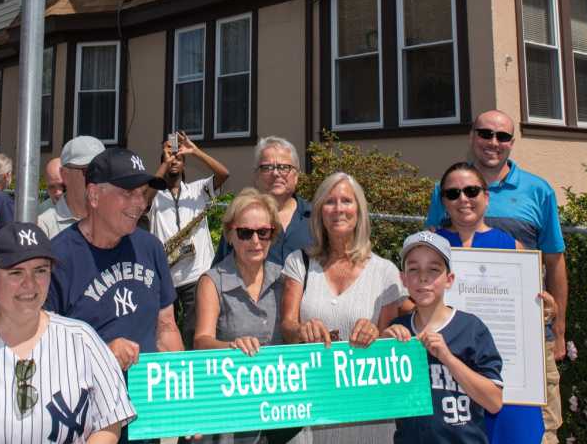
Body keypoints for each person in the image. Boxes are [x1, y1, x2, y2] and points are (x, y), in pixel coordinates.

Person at [0, 222, 135, 443]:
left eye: (40, 271)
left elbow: (109, 421)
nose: (30, 284)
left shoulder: (83, 339)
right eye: (16, 273)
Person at [424, 110, 569, 444]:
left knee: (537, 428)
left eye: (502, 136)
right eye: (485, 133)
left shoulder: (538, 191)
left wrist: (557, 328)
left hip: (524, 338)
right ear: (472, 136)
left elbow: (554, 262)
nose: (493, 142)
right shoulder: (445, 188)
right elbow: (430, 258)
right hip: (458, 342)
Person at [280, 172, 407, 443]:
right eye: (330, 202)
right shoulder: (299, 262)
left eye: (346, 201)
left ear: (359, 211)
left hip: (368, 412)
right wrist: (302, 330)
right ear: (319, 212)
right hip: (311, 410)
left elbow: (392, 343)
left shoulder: (385, 272)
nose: (338, 209)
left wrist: (377, 333)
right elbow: (287, 327)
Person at [44, 148, 181, 371]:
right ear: (94, 195)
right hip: (87, 398)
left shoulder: (151, 247)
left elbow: (166, 327)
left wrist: (176, 388)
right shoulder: (58, 258)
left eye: (142, 192)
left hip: (145, 397)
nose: (140, 203)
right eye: (128, 193)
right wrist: (102, 354)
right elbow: (42, 346)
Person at [194, 189, 295, 444]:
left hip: (280, 413)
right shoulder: (212, 281)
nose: (255, 241)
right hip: (231, 414)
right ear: (230, 234)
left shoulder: (286, 279)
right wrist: (231, 346)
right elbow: (201, 341)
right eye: (245, 233)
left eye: (263, 232)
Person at [384, 231, 504, 444]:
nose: (423, 277)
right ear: (403, 279)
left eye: (434, 269)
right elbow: (380, 398)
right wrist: (381, 349)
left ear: (449, 279)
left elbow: (494, 402)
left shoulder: (471, 328)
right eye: (413, 269)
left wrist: (448, 358)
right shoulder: (397, 331)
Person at [149, 131, 230, 348]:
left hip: (197, 276)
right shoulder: (154, 195)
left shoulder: (198, 190)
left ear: (185, 164)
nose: (174, 159)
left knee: (196, 333)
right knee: (165, 339)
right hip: (166, 278)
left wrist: (195, 151)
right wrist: (164, 164)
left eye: (179, 157)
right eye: (169, 156)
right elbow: (142, 202)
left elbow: (224, 174)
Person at [214, 136, 313, 266]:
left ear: (296, 176)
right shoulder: (239, 218)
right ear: (256, 176)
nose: (276, 173)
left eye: (284, 167)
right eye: (267, 168)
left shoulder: (317, 218)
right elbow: (219, 273)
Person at [37, 137, 104, 239]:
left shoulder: (116, 221)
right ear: (65, 175)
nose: (97, 177)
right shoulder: (44, 227)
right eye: (88, 170)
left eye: (102, 170)